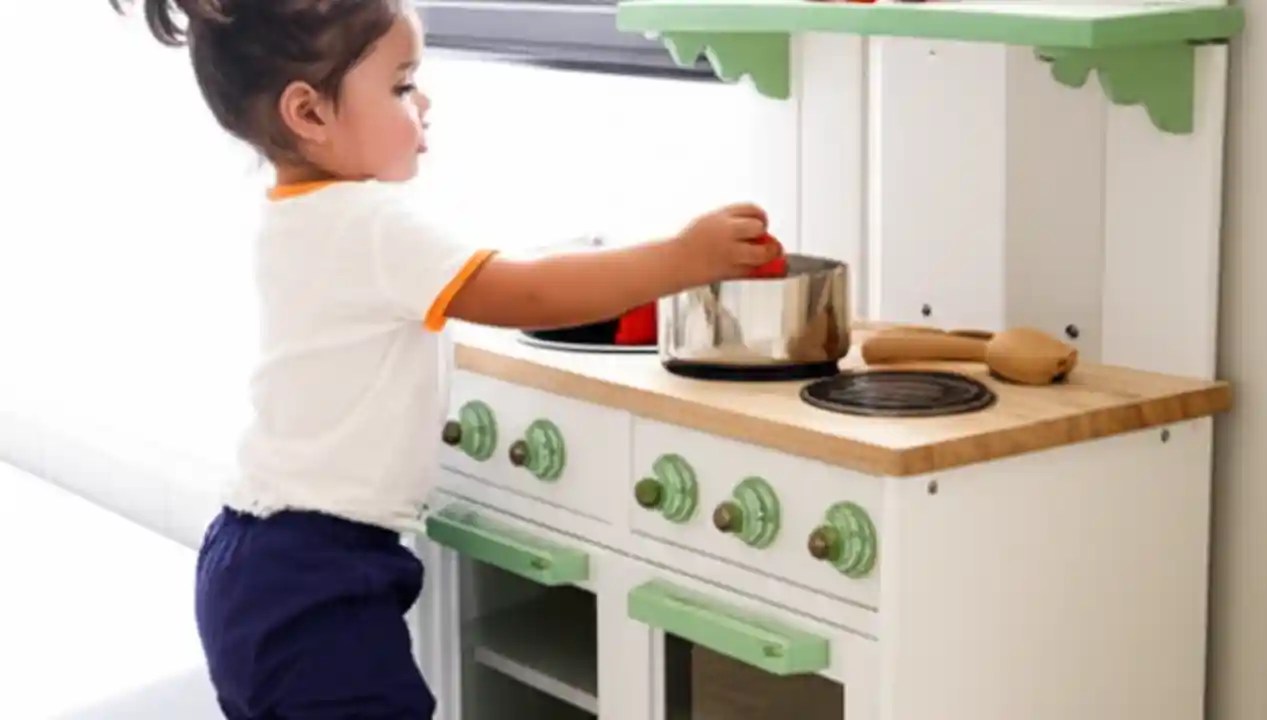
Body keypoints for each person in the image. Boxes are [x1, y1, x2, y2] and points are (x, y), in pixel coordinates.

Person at [108, 0, 778, 717]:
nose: (423, 102)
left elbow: (481, 273)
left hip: (254, 560)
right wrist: (682, 258)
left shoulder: (302, 214)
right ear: (308, 113)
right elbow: (523, 294)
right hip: (318, 575)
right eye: (401, 85)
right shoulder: (368, 221)